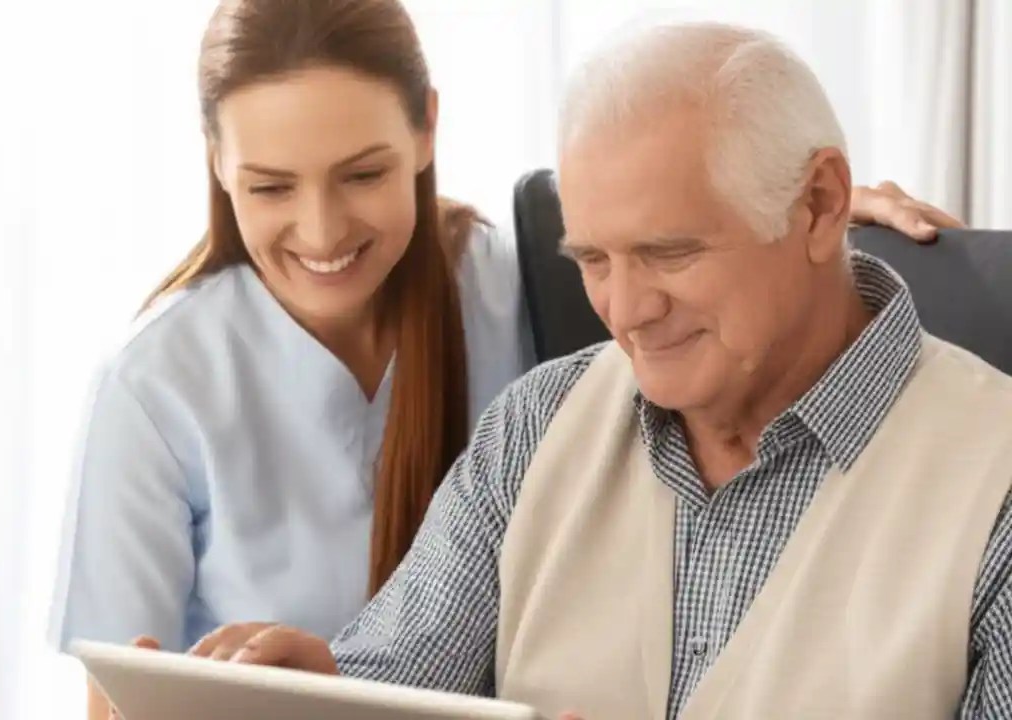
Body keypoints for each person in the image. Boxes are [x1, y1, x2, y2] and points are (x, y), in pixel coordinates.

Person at [47, 2, 964, 716]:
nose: (626, 312)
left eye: (363, 173)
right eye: (594, 261)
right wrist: (316, 692)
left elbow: (699, 193)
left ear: (426, 133)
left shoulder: (503, 278)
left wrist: (840, 226)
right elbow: (394, 673)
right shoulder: (536, 421)